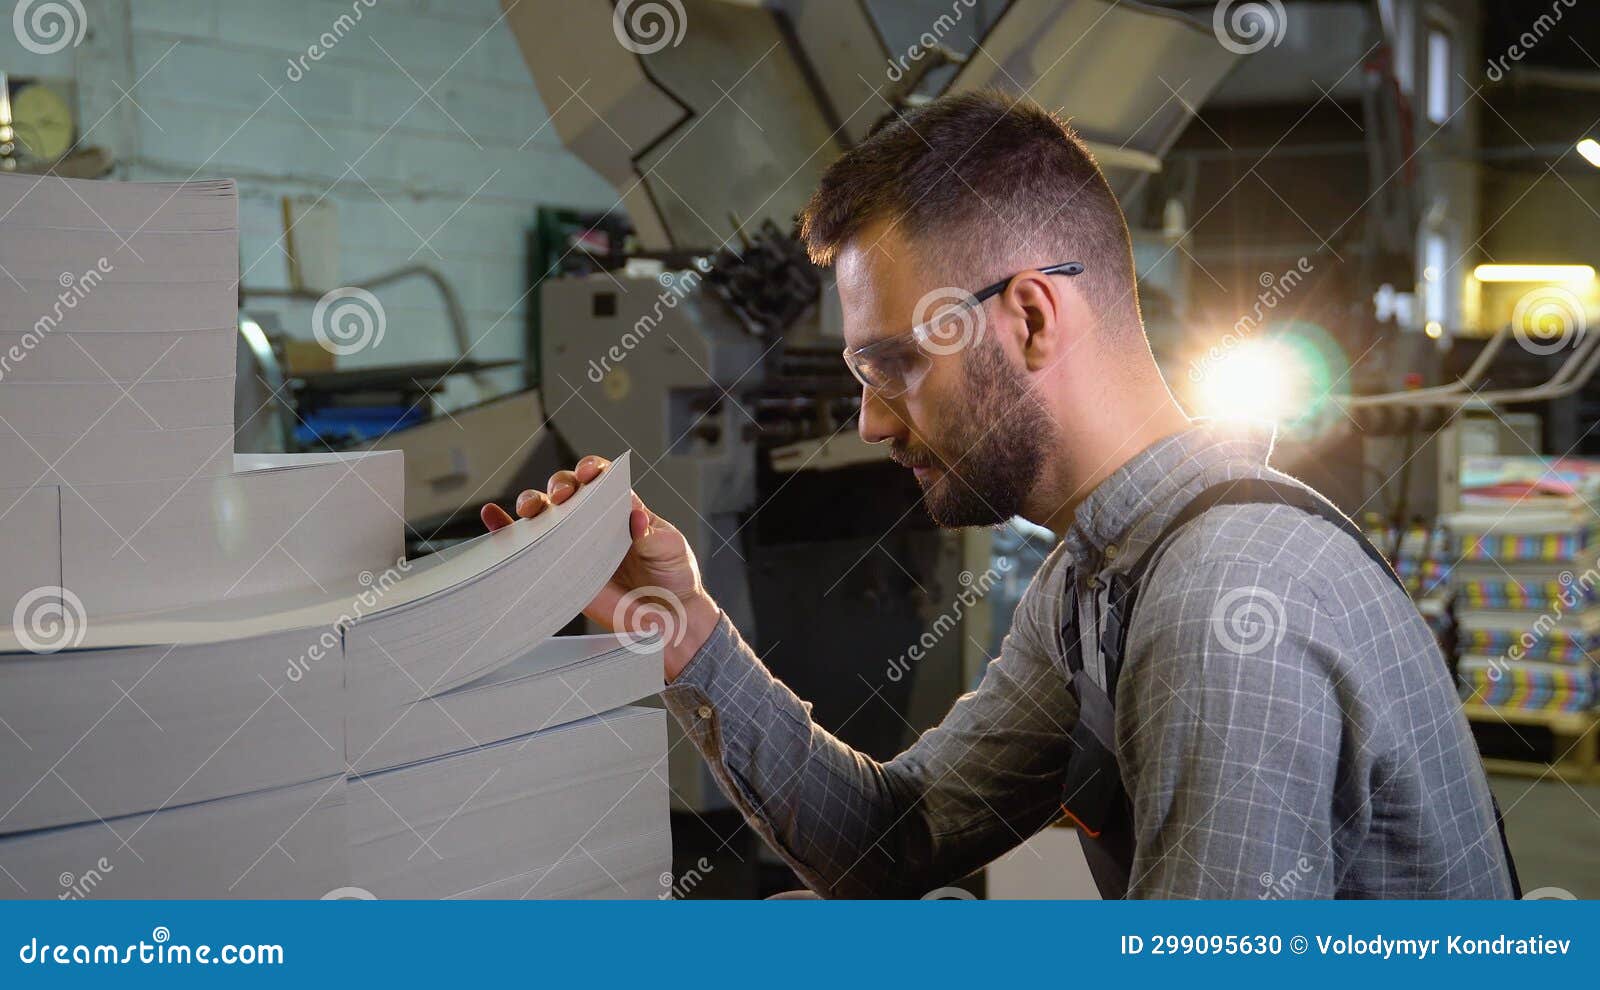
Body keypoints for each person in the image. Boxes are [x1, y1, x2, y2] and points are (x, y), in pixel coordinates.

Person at [482, 91, 1514, 899]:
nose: (871, 424)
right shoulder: (1105, 568)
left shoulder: (1223, 605)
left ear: (1026, 317)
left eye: (894, 369)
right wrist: (687, 637)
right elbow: (896, 838)